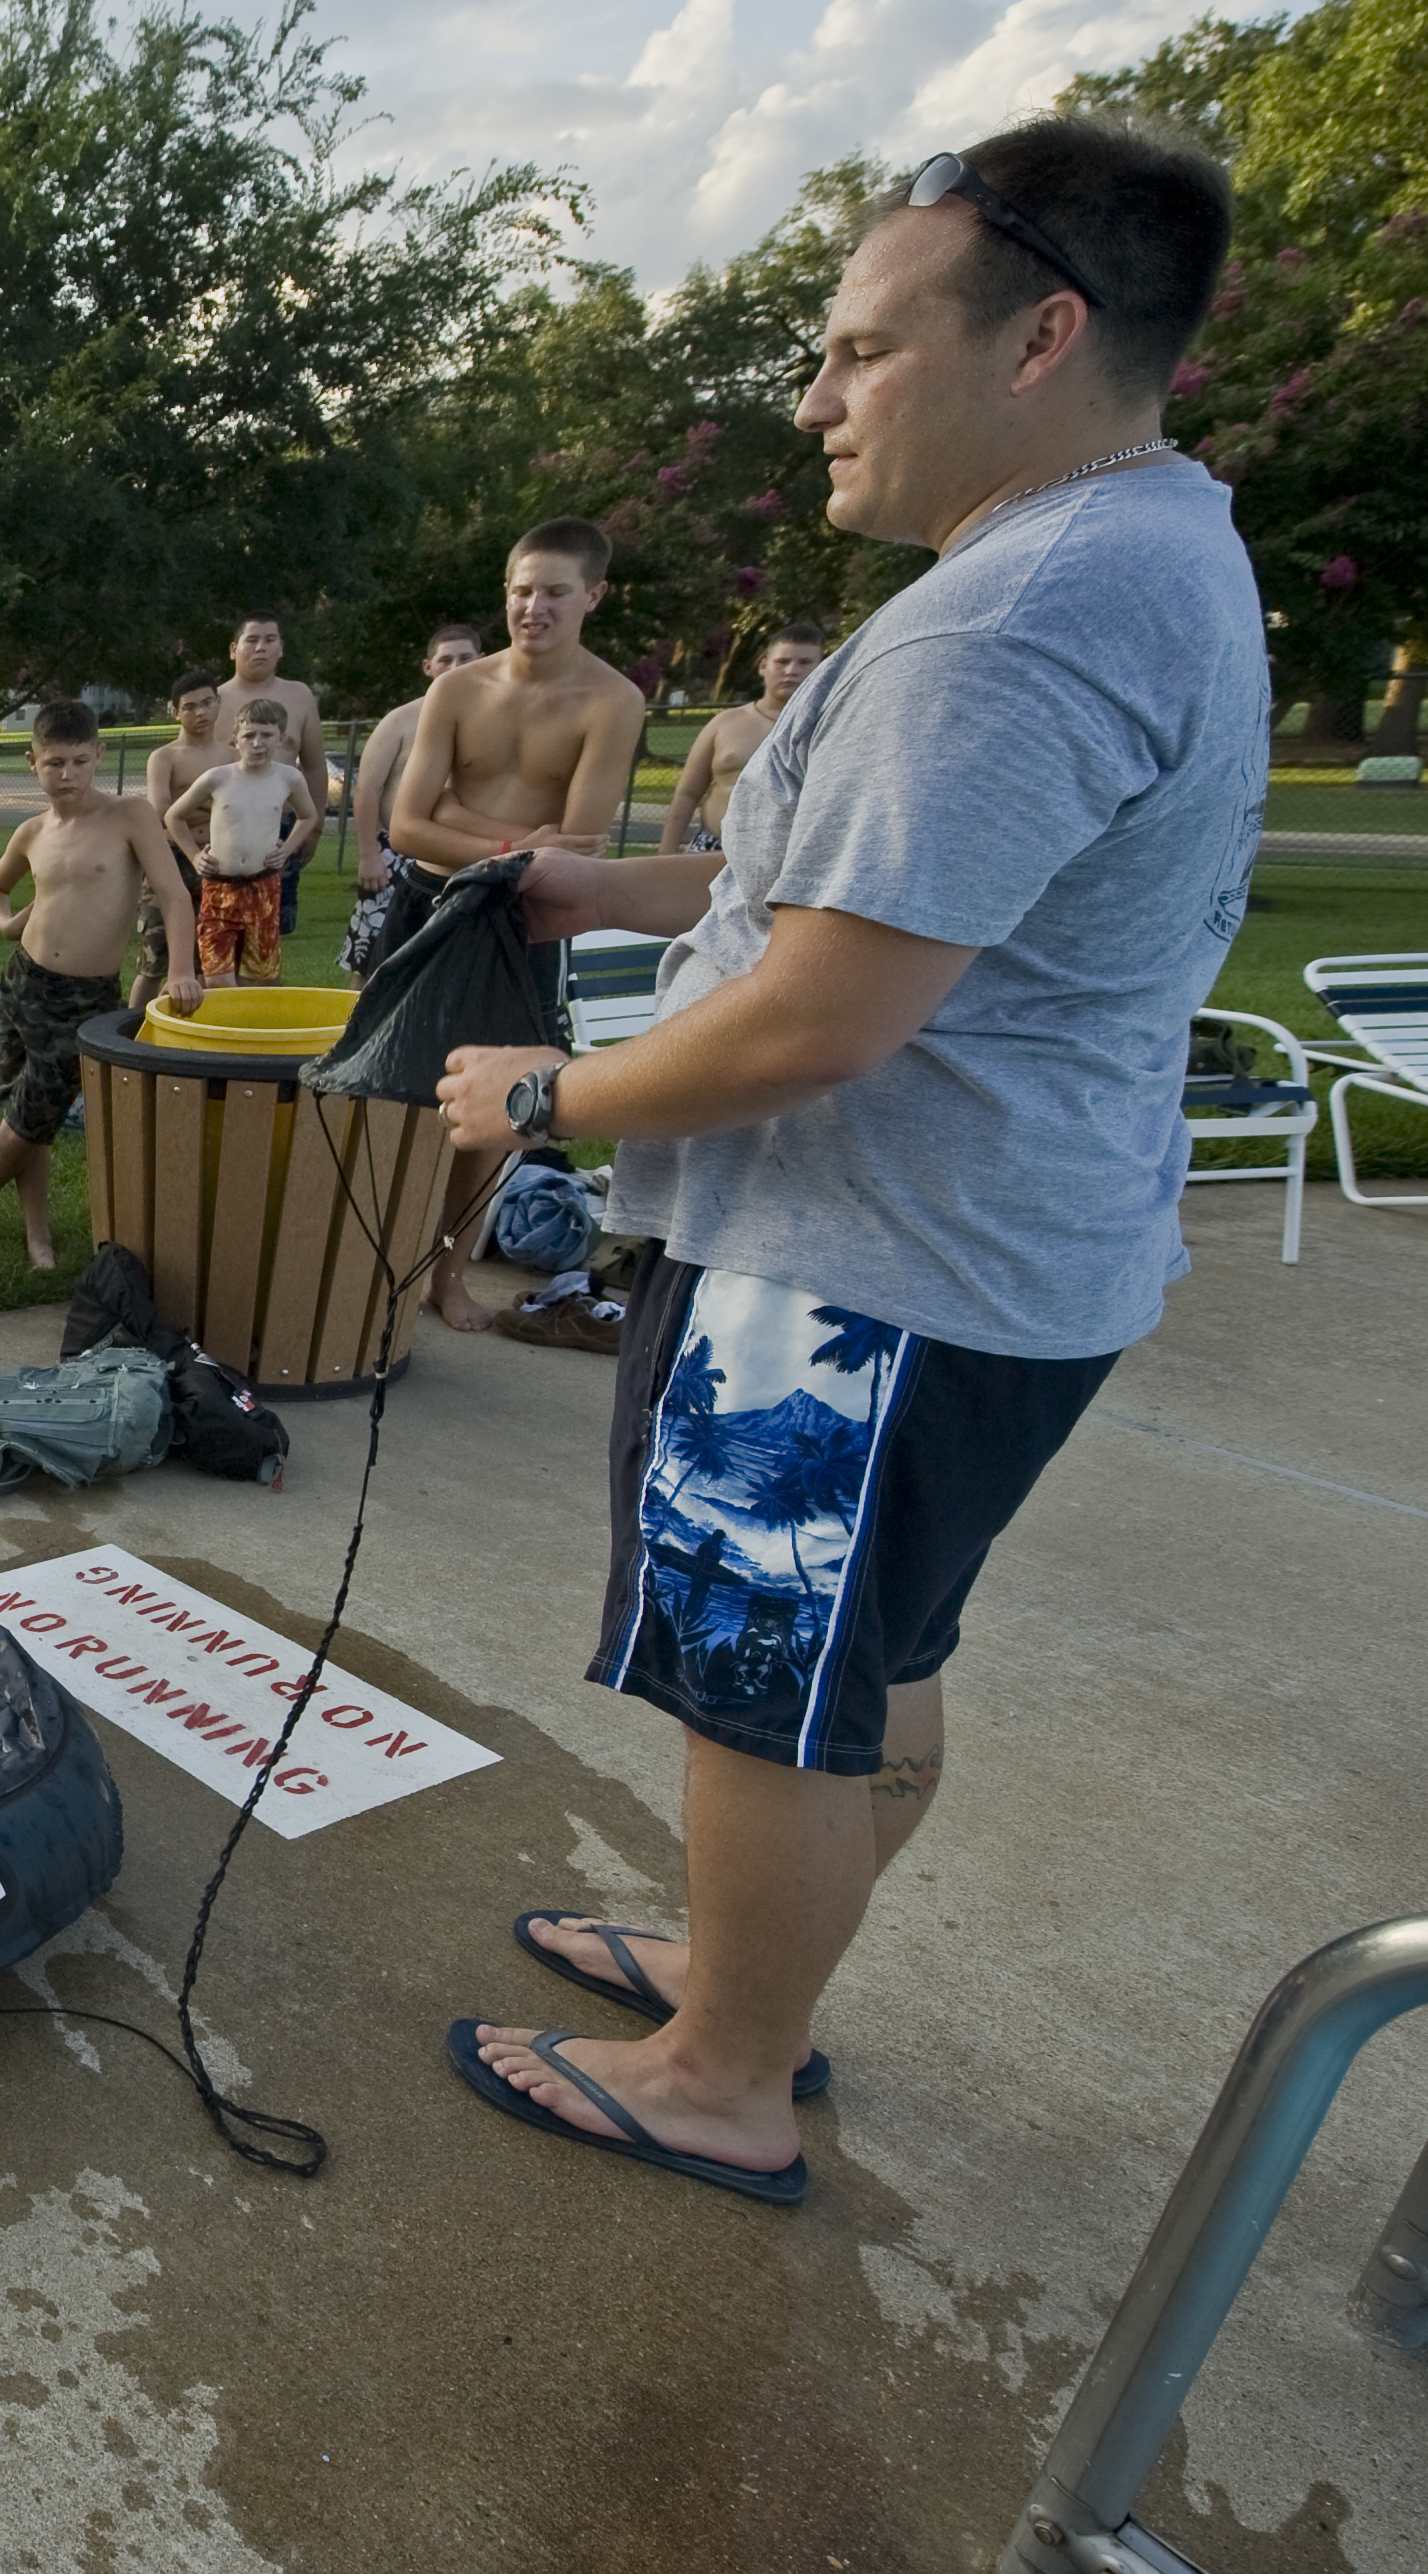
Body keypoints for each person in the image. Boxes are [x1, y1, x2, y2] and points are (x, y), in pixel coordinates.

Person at [437, 115, 1255, 2205]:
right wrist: (604, 886)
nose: (811, 399)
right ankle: (747, 1978)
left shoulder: (1014, 616)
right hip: (983, 1260)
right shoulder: (1140, 546)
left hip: (862, 1274)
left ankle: (718, 2065)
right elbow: (859, 890)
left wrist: (534, 1100)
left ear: (1038, 334)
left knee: (765, 1689)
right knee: (869, 1663)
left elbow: (818, 1014)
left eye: (859, 350)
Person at [386, 521, 650, 1331]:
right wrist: (509, 843)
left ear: (594, 596)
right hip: (427, 905)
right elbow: (405, 826)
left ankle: (448, 1274)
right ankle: (378, 1263)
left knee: (496, 1107)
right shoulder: (458, 691)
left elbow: (575, 848)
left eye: (555, 593)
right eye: (521, 591)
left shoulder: (612, 702)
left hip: (519, 920)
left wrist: (459, 821)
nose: (534, 608)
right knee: (391, 1092)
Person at [0, 701, 200, 1268]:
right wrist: (7, 922)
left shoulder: (130, 816)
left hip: (86, 996)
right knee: (29, 1115)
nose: (66, 774)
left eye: (78, 761)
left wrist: (180, 971)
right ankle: (36, 1233)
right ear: (33, 763)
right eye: (53, 763)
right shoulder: (32, 831)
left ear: (98, 755)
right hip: (25, 983)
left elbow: (175, 896)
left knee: (31, 1116)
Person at [171, 701, 318, 988]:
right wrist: (194, 856)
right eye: (249, 735)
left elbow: (308, 815)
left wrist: (287, 848)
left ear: (281, 738)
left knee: (260, 977)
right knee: (217, 977)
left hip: (263, 885)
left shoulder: (288, 778)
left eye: (266, 735)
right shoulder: (218, 778)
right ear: (235, 739)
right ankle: (223, 1016)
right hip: (220, 887)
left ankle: (254, 1016)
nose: (257, 743)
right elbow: (174, 816)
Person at [659, 623, 829, 854]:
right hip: (714, 850)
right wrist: (666, 854)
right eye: (782, 662)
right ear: (763, 666)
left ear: (823, 669)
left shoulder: (832, 728)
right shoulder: (725, 723)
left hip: (796, 858)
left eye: (805, 663)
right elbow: (687, 794)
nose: (791, 670)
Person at [346, 625, 486, 905]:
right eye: (445, 660)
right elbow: (366, 789)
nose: (455, 667)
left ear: (482, 660)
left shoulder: (497, 721)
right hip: (398, 856)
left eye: (465, 658)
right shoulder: (399, 721)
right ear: (427, 666)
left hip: (471, 856)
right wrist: (369, 856)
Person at [206, 617, 327, 937]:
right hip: (222, 830)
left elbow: (314, 766)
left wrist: (313, 828)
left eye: (270, 639)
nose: (261, 647)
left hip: (279, 831)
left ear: (281, 648)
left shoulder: (300, 695)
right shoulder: (212, 701)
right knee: (218, 933)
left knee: (269, 932)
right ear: (233, 649)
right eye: (252, 640)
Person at [125, 669, 225, 1006]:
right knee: (154, 959)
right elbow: (161, 811)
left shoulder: (231, 756)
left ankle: (192, 1024)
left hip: (219, 862)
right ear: (176, 712)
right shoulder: (164, 757)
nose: (200, 713)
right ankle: (133, 1025)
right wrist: (210, 809)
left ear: (218, 703)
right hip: (171, 861)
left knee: (208, 957)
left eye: (207, 703)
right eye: (191, 707)